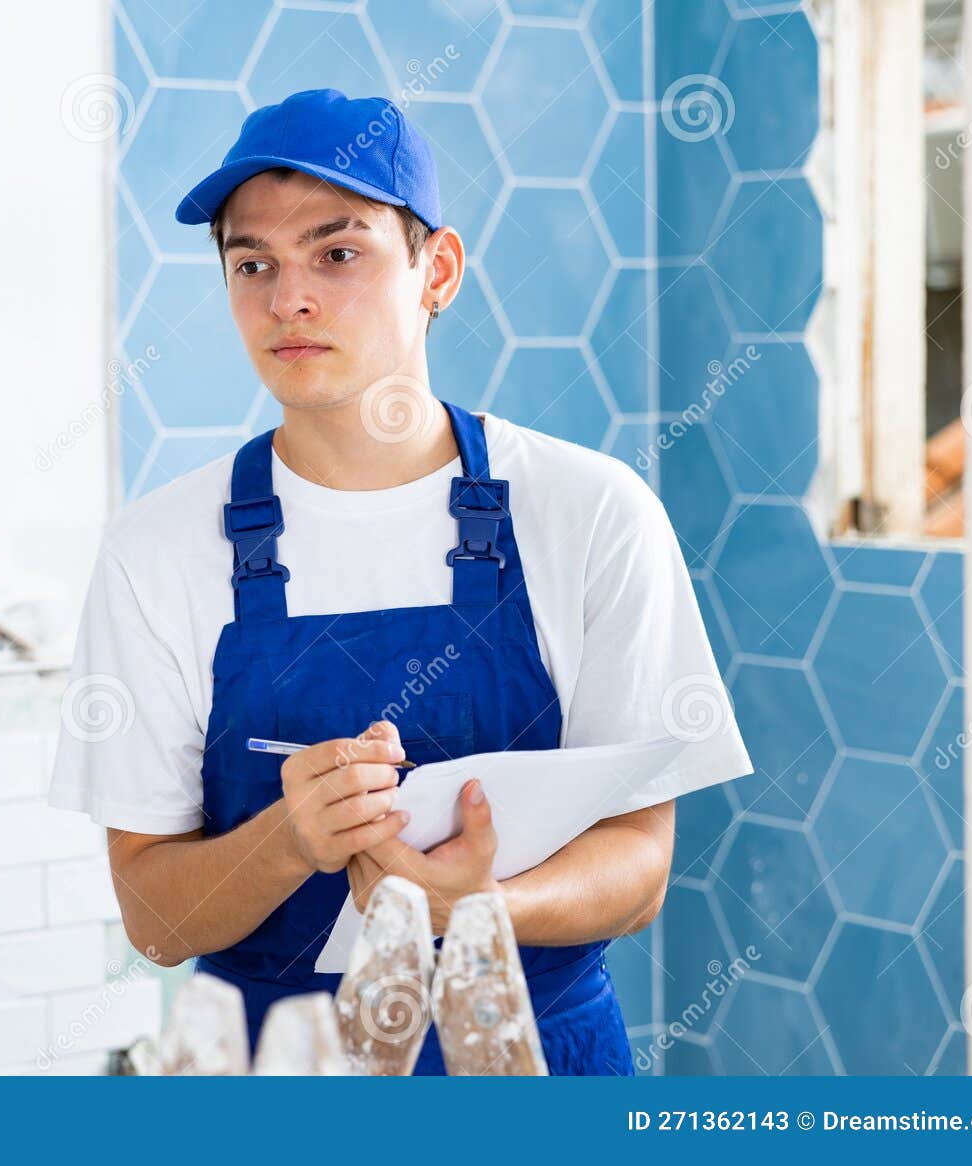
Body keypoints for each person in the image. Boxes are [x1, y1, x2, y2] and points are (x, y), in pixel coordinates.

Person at [49, 88, 752, 1075]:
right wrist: (291, 838)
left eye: (337, 253)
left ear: (438, 271)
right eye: (253, 263)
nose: (288, 297)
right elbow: (157, 922)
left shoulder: (590, 511)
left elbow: (639, 870)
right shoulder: (154, 552)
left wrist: (474, 910)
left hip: (534, 1059)